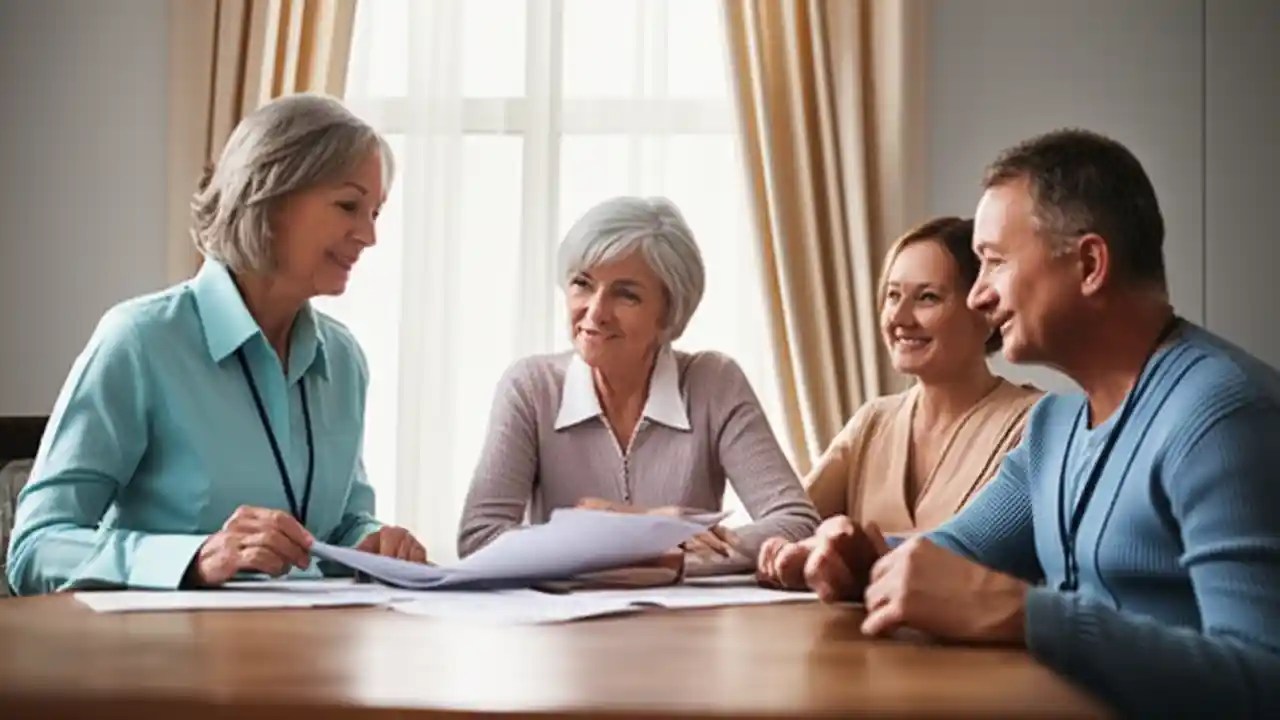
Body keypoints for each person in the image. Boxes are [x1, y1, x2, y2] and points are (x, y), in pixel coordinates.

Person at [801, 129, 1280, 716]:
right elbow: (953, 556)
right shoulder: (1053, 427)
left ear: (1089, 264)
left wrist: (1024, 613)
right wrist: (868, 562)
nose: (977, 296)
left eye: (994, 263)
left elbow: (1263, 683)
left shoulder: (1220, 417)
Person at [6, 94, 428, 596]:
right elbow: (34, 548)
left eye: (376, 212)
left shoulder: (343, 360)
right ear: (270, 195)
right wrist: (195, 557)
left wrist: (372, 544)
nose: (369, 235)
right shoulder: (140, 341)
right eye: (348, 206)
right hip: (166, 665)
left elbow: (341, 526)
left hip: (312, 658)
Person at [458, 196, 819, 573]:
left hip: (688, 628)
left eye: (625, 294)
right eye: (583, 284)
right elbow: (480, 539)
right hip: (567, 629)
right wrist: (644, 528)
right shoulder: (530, 389)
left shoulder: (714, 384)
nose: (595, 312)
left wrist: (660, 548)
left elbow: (797, 523)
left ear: (669, 313)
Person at [756, 217, 1040, 589]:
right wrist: (777, 548)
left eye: (927, 297)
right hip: (859, 641)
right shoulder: (873, 421)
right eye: (892, 296)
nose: (900, 318)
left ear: (984, 309)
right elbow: (795, 522)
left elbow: (975, 558)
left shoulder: (1034, 422)